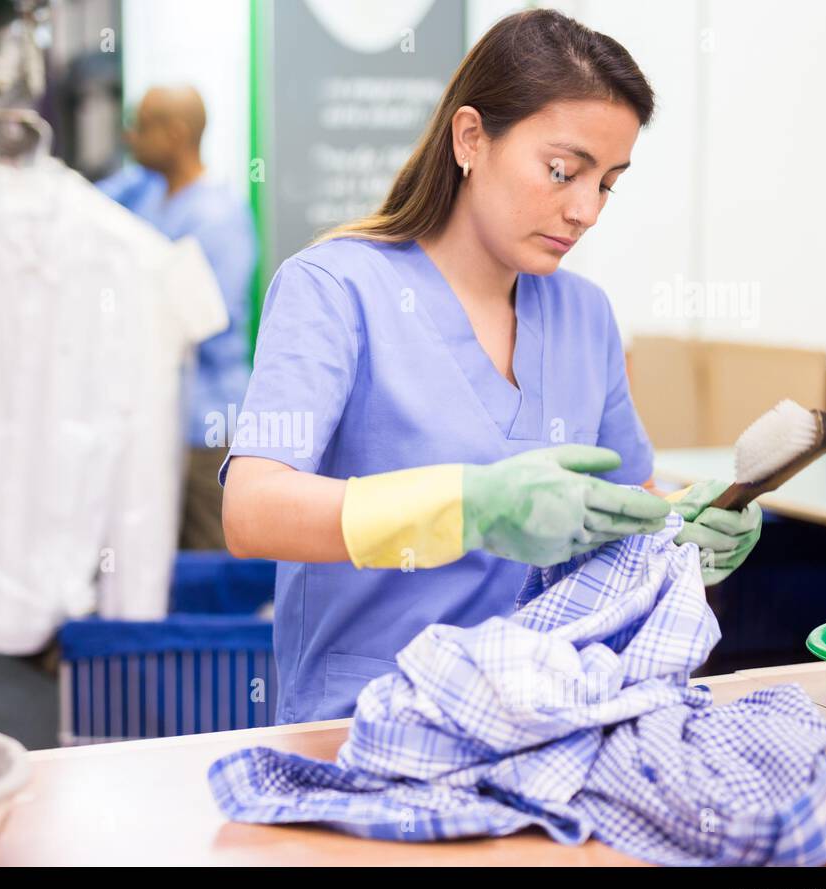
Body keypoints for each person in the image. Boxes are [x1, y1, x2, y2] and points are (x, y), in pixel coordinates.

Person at [219, 9, 762, 725]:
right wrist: (470, 507)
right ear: (470, 138)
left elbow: (623, 502)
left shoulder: (583, 316)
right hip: (369, 721)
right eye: (563, 171)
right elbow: (253, 510)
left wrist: (678, 528)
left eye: (608, 183)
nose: (586, 210)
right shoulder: (335, 288)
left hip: (549, 714)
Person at [97, 86, 257, 549]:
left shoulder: (220, 217)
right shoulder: (145, 192)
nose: (130, 136)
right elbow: (84, 204)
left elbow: (205, 321)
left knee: (210, 565)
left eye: (141, 126)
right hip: (152, 426)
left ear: (177, 133)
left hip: (205, 430)